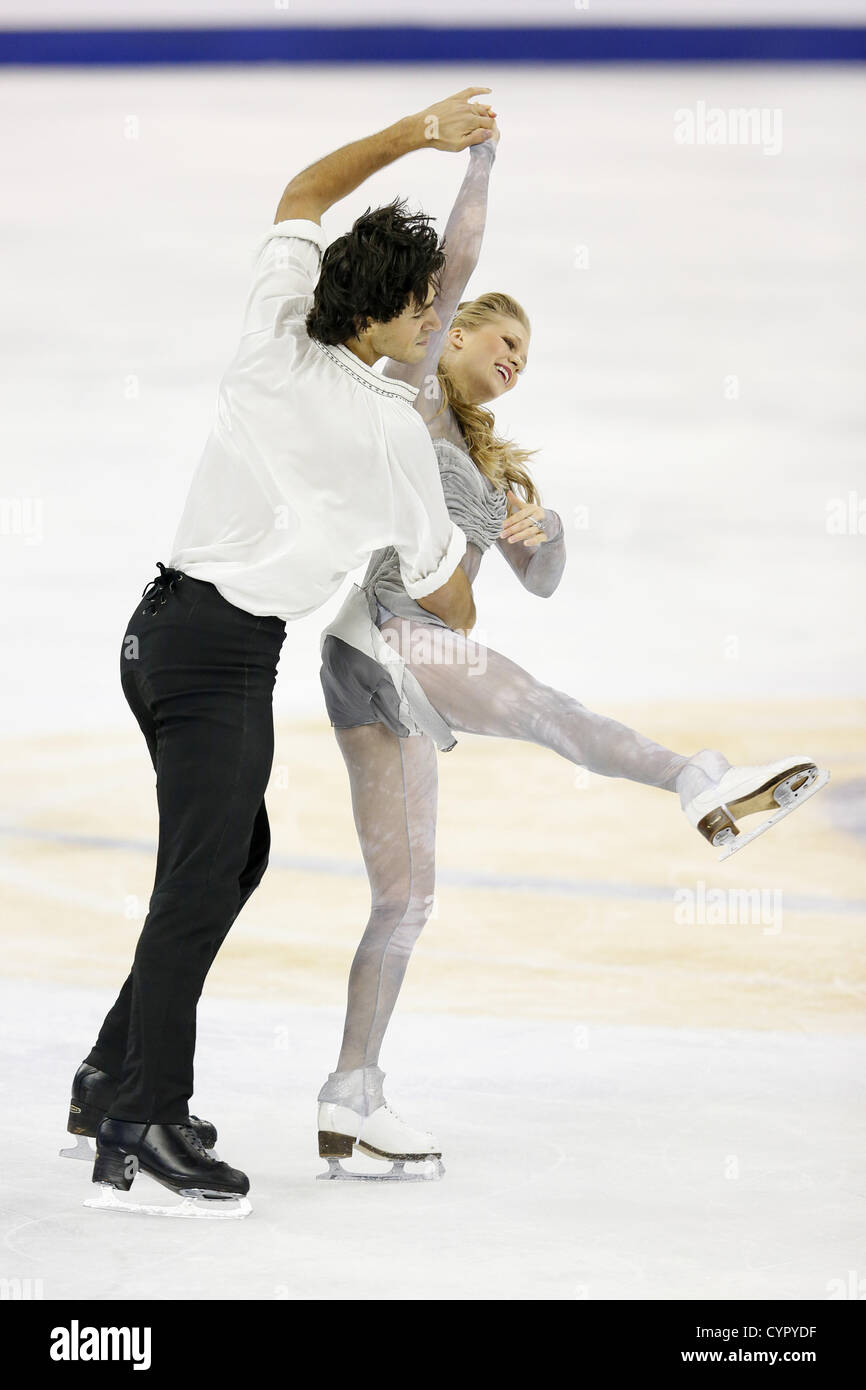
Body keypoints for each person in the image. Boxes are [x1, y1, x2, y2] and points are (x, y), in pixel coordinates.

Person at [314, 115, 829, 1181]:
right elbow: (454, 263)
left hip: (394, 669)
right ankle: (695, 783)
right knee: (543, 710)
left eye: (525, 360)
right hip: (379, 640)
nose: (509, 363)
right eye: (497, 341)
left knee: (405, 900)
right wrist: (479, 162)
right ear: (449, 334)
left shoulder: (489, 466)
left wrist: (538, 532)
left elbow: (540, 583)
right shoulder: (409, 395)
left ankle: (349, 1096)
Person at [66, 88, 500, 1217]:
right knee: (201, 878)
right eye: (421, 308)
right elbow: (447, 601)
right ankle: (138, 1128)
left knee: (225, 863)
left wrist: (414, 133)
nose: (432, 323)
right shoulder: (393, 436)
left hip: (155, 636)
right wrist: (474, 514)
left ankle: (112, 1073)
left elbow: (305, 192)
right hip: (217, 665)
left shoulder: (276, 326)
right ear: (379, 320)